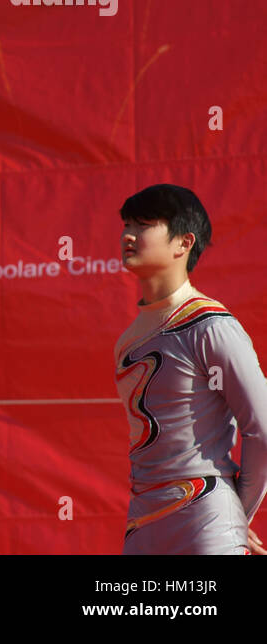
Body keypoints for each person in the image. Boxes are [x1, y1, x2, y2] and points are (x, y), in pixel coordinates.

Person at [114, 183, 267, 554]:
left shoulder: (211, 326)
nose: (128, 235)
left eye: (144, 224)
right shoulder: (127, 341)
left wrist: (235, 516)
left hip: (206, 516)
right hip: (142, 523)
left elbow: (262, 429)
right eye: (126, 224)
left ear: (183, 243)